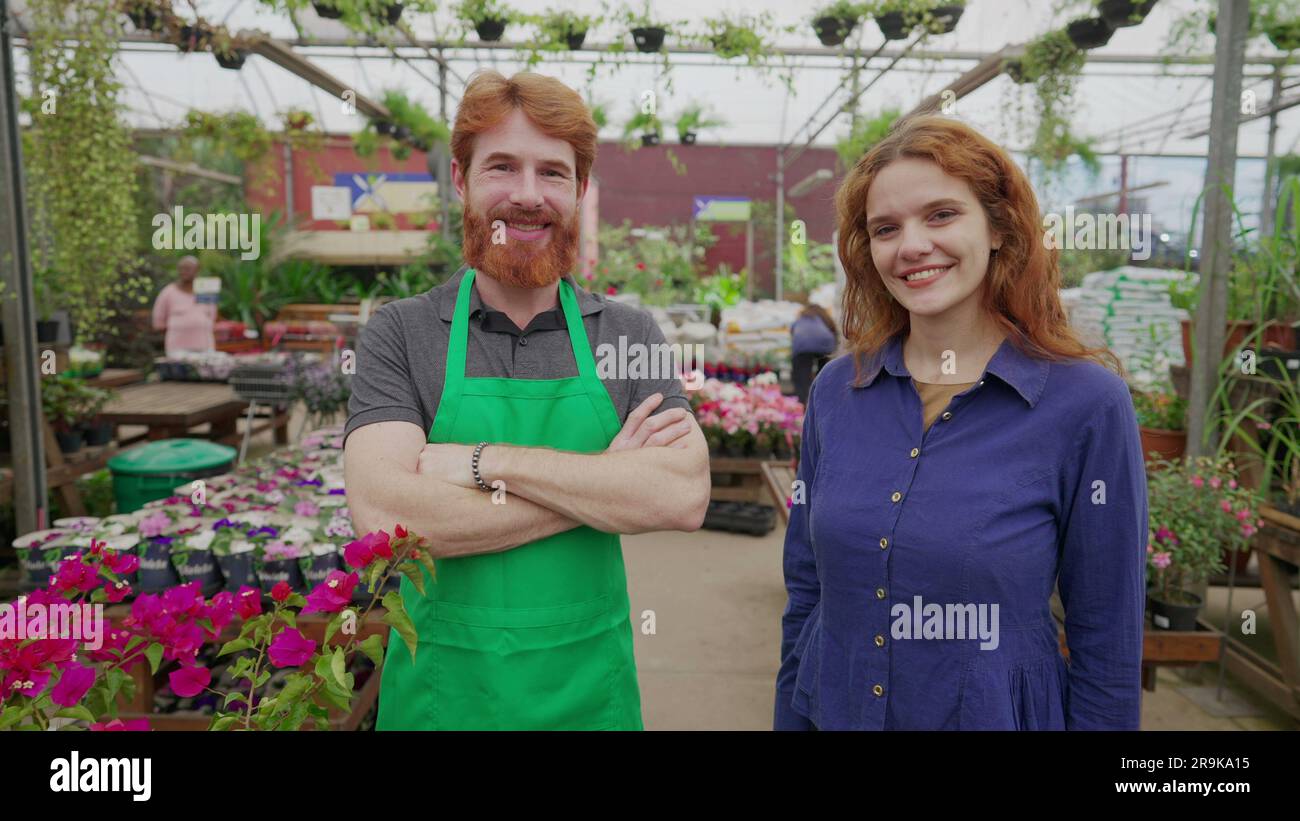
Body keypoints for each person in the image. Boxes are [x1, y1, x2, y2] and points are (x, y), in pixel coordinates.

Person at [344, 70, 712, 731]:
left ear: (580, 190)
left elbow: (682, 495)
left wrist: (484, 461)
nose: (526, 196)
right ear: (460, 179)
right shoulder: (401, 333)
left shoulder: (628, 335)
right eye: (502, 167)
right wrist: (604, 489)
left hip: (589, 699)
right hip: (442, 700)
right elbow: (384, 521)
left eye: (551, 172)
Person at [774, 115, 1147, 731]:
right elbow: (807, 594)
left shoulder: (1086, 404)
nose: (911, 246)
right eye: (885, 229)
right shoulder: (839, 391)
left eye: (941, 215)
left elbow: (1106, 636)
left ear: (1000, 227)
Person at [151, 255, 216, 355]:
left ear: (197, 270)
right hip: (177, 349)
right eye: (181, 268)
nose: (184, 271)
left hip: (204, 348)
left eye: (188, 268)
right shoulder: (168, 292)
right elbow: (159, 322)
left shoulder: (205, 291)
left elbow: (211, 316)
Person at [790, 304, 837, 406]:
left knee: (802, 376)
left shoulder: (802, 317)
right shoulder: (824, 317)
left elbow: (793, 331)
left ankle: (802, 403)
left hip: (802, 346)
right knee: (824, 373)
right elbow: (833, 330)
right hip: (825, 344)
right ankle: (823, 400)